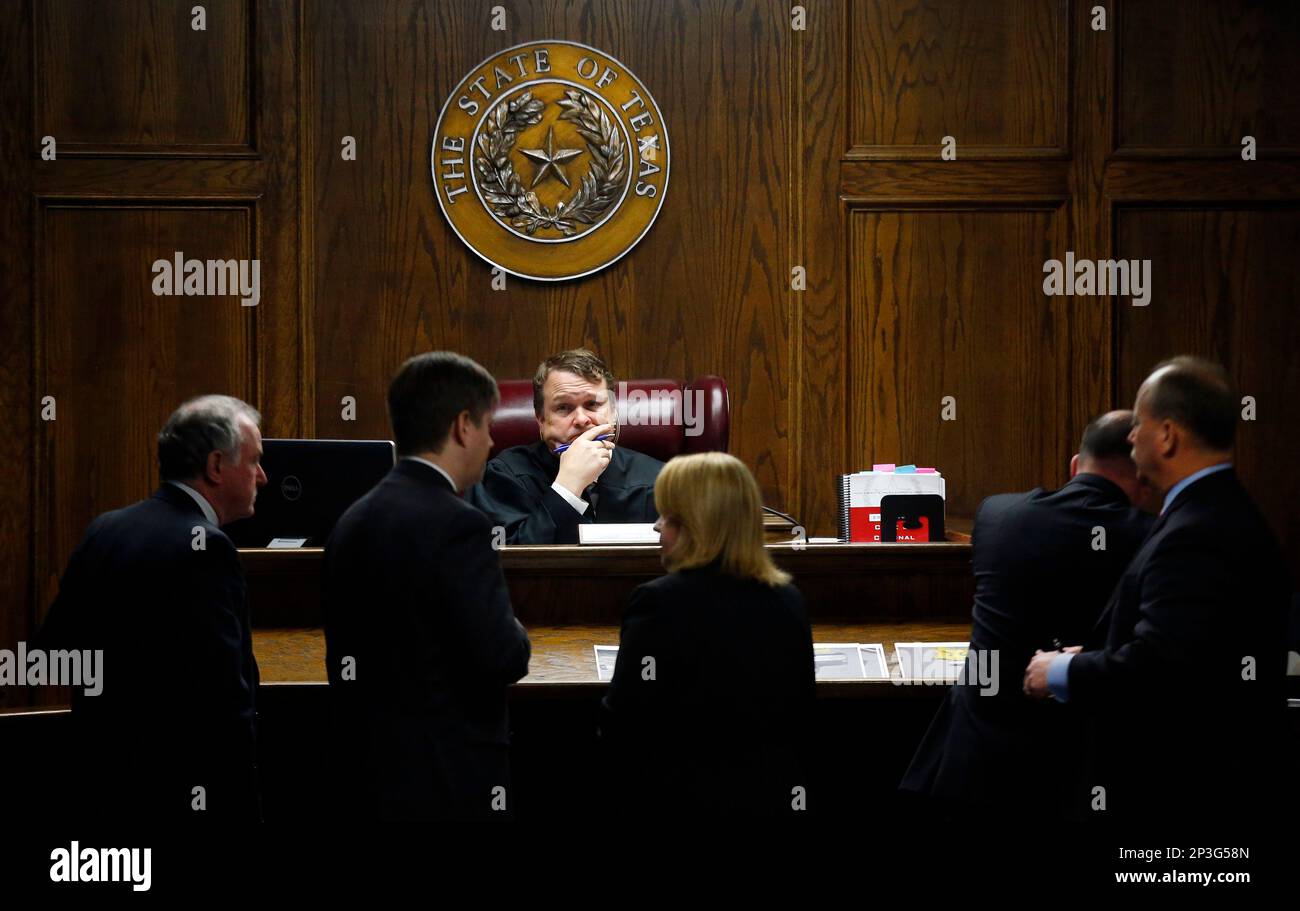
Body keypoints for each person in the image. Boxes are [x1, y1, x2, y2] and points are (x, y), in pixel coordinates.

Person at [1024, 357, 1290, 826]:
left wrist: (1062, 670)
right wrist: (1104, 650)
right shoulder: (1212, 508)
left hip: (1181, 799)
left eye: (1139, 424)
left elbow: (1161, 669)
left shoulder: (1199, 530)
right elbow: (1194, 648)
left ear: (1167, 436)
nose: (1129, 437)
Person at [900, 412, 1154, 815]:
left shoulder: (998, 515)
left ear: (1075, 464)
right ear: (1144, 476)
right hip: (1074, 767)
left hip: (970, 760)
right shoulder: (1152, 539)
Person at [36, 395, 266, 819]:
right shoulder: (209, 549)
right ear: (216, 467)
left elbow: (53, 655)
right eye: (254, 461)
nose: (263, 476)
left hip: (101, 785)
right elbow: (226, 702)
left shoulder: (106, 528)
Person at [324, 351, 531, 820]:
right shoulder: (461, 526)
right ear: (462, 426)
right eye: (487, 426)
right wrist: (515, 626)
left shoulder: (351, 519)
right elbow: (504, 657)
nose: (493, 441)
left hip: (364, 775)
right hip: (448, 780)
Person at [601, 452, 814, 816]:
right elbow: (800, 718)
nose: (656, 527)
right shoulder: (789, 600)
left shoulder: (657, 603)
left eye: (667, 516)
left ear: (695, 525)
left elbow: (623, 724)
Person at [465, 348, 663, 544]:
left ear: (613, 412)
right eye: (563, 408)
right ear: (541, 420)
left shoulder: (658, 479)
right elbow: (505, 560)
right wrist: (567, 487)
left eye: (592, 404)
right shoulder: (503, 475)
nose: (581, 419)